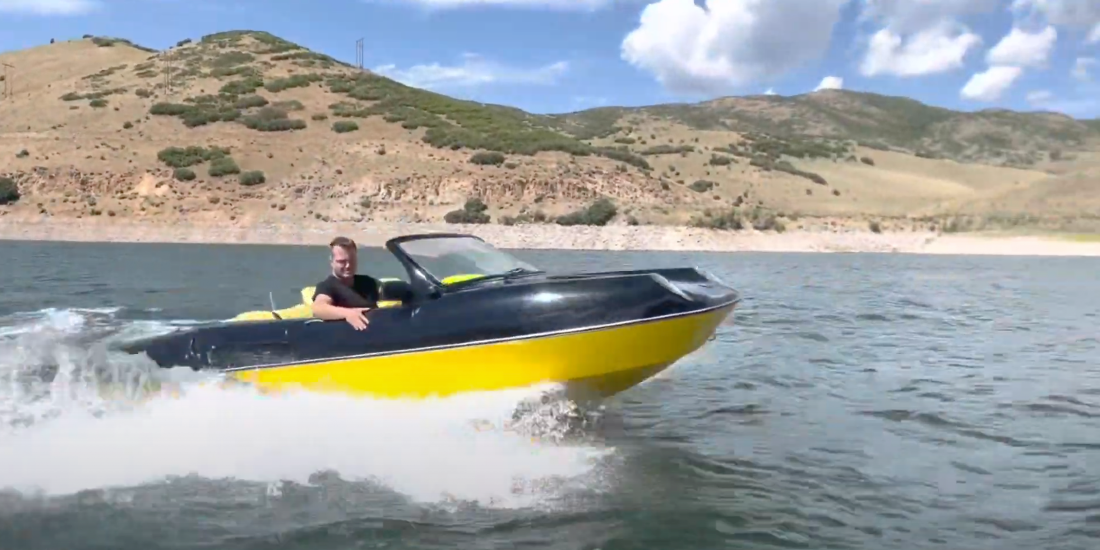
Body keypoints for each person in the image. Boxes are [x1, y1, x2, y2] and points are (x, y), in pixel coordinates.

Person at [311, 236, 380, 330]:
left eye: (351, 260)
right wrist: (348, 313)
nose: (348, 266)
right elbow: (318, 309)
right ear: (332, 262)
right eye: (342, 262)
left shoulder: (368, 282)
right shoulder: (327, 286)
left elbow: (389, 292)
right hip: (346, 338)